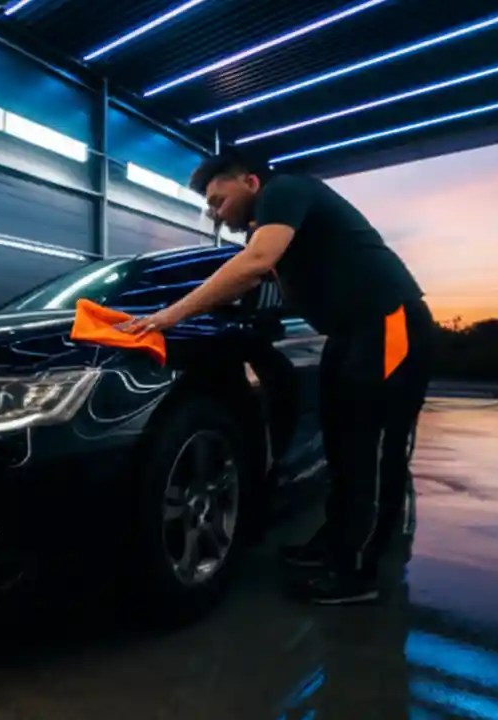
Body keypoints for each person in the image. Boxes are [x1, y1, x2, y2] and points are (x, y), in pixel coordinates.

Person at [118, 151, 433, 604]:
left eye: (216, 199)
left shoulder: (285, 190)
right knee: (343, 446)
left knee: (372, 448)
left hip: (389, 324)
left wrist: (166, 317)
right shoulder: (273, 225)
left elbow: (252, 263)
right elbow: (247, 280)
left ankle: (357, 572)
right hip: (350, 334)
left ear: (249, 181)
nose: (213, 213)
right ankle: (335, 545)